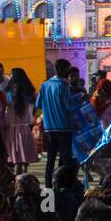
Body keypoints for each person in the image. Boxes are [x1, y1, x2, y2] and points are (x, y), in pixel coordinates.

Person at [38, 59, 78, 188]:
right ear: (61, 70)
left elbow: (38, 104)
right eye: (67, 69)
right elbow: (69, 105)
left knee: (51, 158)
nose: (69, 72)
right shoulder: (63, 86)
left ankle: (49, 185)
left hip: (49, 127)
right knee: (65, 159)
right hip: (64, 127)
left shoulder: (45, 85)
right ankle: (64, 185)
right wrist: (78, 101)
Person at [4, 68, 38, 175]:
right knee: (25, 146)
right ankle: (25, 166)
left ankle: (18, 169)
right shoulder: (29, 88)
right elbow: (33, 108)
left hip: (13, 128)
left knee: (16, 150)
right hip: (26, 125)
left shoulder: (9, 90)